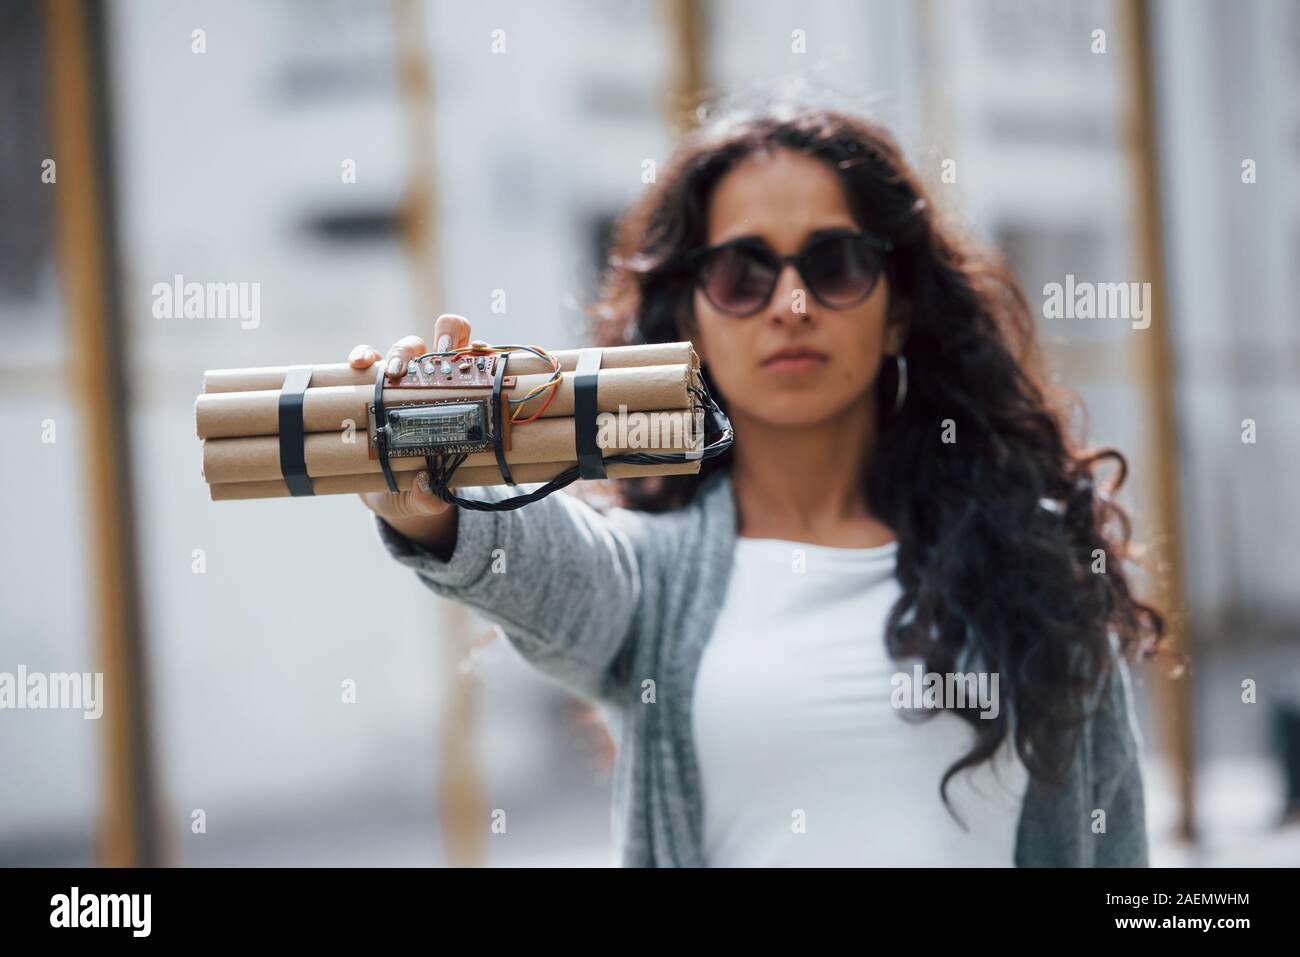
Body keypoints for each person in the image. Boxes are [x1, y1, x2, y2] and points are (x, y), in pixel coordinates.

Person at [347, 102, 1166, 867]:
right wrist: (435, 505)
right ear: (691, 317)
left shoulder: (1031, 563)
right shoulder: (654, 579)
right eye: (743, 274)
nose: (792, 303)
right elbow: (551, 570)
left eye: (835, 263)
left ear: (898, 311)